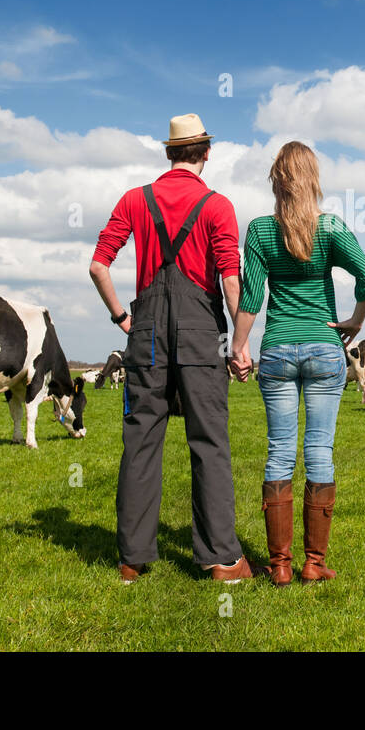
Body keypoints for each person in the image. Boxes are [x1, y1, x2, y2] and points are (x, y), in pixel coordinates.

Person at [90, 113, 265, 585]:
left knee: (141, 440)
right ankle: (221, 560)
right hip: (199, 333)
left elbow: (98, 266)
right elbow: (230, 278)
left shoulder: (134, 200)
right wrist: (242, 344)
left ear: (169, 154)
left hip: (144, 331)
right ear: (206, 153)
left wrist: (121, 318)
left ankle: (133, 558)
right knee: (209, 441)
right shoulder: (217, 206)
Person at [230, 141, 365, 586]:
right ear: (312, 179)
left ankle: (278, 566)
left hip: (276, 351)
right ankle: (313, 564)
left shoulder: (259, 231)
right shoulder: (331, 227)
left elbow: (253, 297)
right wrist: (355, 320)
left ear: (276, 180)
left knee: (279, 452)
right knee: (319, 452)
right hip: (322, 350)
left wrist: (238, 347)